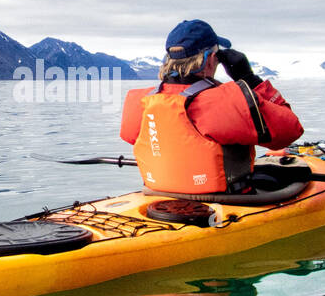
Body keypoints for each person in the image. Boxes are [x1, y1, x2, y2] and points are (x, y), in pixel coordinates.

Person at [119, 19, 303, 195]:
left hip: (158, 194)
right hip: (228, 201)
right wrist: (249, 78)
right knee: (298, 175)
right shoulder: (228, 101)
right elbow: (291, 130)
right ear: (210, 59)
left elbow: (134, 136)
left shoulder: (140, 101)